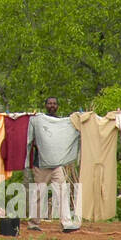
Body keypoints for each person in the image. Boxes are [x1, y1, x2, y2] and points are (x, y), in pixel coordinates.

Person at [27, 96, 81, 232]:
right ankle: (34, 223)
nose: (52, 105)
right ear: (45, 105)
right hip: (40, 164)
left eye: (54, 103)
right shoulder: (39, 121)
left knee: (63, 191)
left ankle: (66, 223)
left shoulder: (62, 123)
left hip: (57, 164)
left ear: (57, 106)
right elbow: (30, 138)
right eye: (49, 103)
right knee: (39, 194)